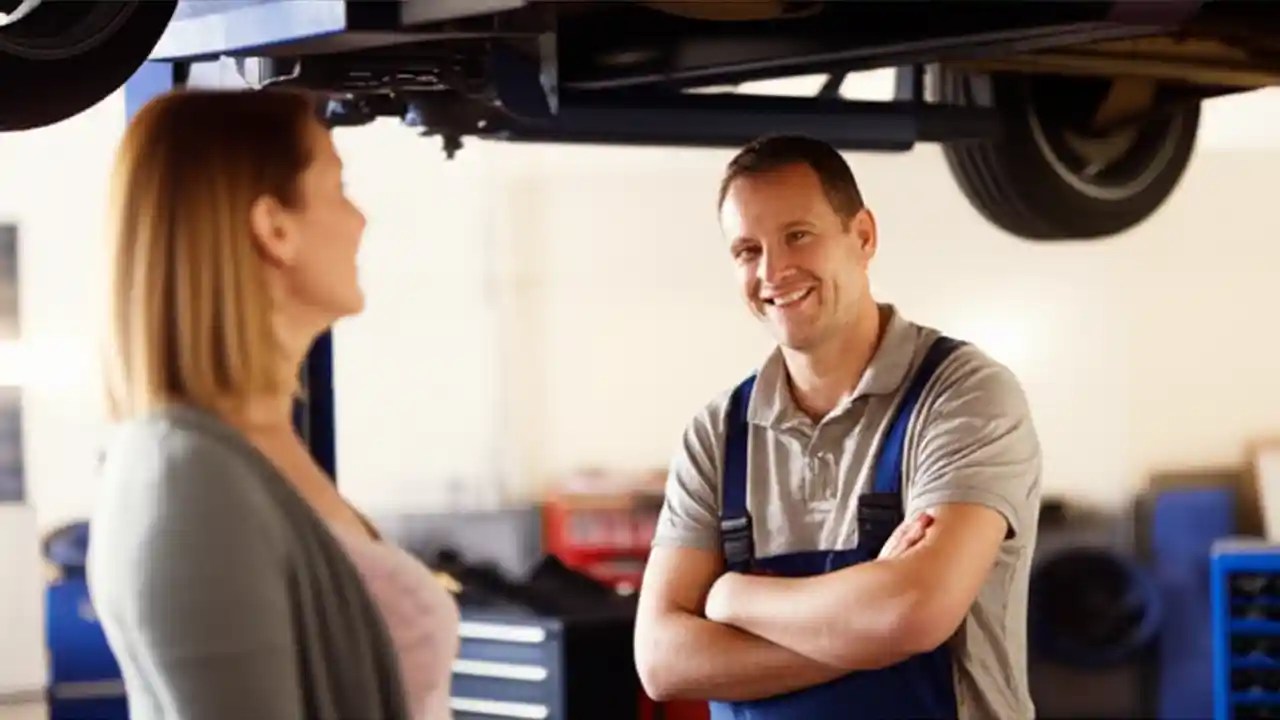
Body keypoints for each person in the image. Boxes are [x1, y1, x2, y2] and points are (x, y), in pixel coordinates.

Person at [633, 135, 1042, 719]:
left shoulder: (961, 395)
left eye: (798, 235)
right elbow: (662, 661)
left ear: (864, 236)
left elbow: (913, 610)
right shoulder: (719, 435)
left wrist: (733, 597)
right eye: (748, 249)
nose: (772, 271)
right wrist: (867, 627)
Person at [86, 88, 459, 720]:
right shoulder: (191, 482)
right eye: (338, 188)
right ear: (274, 227)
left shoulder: (246, 449)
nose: (360, 219)